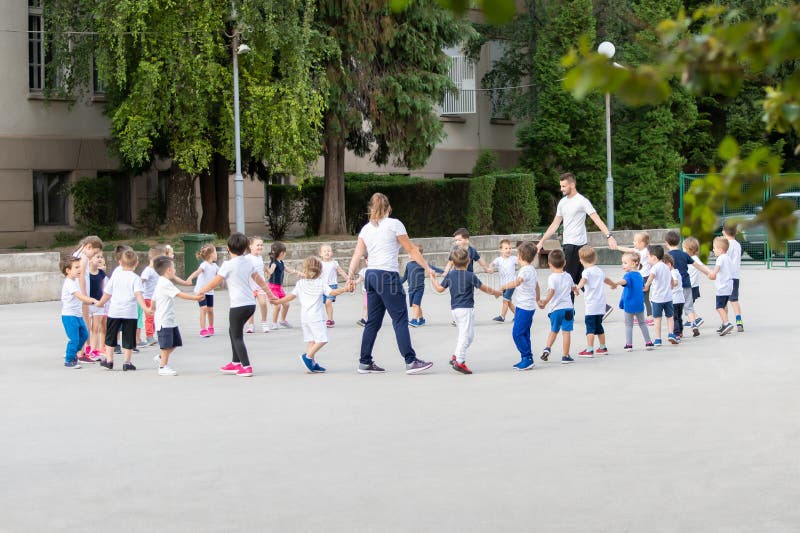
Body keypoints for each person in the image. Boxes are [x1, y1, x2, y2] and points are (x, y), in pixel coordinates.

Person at [346, 192, 435, 375]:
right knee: (400, 319)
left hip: (371, 276)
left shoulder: (366, 229)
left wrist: (349, 276)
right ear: (389, 208)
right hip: (388, 276)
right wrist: (427, 267)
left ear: (371, 208)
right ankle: (410, 361)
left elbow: (357, 254)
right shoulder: (394, 224)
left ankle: (364, 362)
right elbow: (411, 249)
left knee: (373, 321)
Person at [536, 172, 617, 319]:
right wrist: (542, 241)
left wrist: (609, 236)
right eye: (560, 186)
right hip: (569, 244)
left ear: (572, 184)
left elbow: (596, 218)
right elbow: (555, 224)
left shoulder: (582, 201)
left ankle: (568, 312)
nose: (561, 189)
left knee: (567, 278)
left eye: (564, 186)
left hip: (576, 246)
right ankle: (603, 308)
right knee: (580, 278)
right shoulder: (562, 203)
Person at [196, 233, 276, 377]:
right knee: (233, 331)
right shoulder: (248, 262)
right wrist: (270, 294)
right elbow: (259, 280)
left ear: (228, 248)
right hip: (250, 304)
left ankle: (246, 366)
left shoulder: (228, 265)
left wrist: (201, 290)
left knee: (236, 335)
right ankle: (235, 363)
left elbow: (216, 281)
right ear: (246, 248)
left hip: (238, 305)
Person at [269, 256, 350, 373]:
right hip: (317, 318)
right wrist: (344, 289)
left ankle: (311, 364)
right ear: (320, 271)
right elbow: (332, 293)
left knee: (311, 341)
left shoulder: (300, 283)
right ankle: (307, 357)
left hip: (305, 318)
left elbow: (290, 297)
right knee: (322, 339)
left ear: (305, 269)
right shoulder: (321, 283)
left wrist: (277, 301)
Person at [430, 247, 501, 374]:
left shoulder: (451, 275)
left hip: (456, 310)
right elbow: (484, 288)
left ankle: (456, 355)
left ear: (452, 262)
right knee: (465, 336)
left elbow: (440, 289)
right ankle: (460, 362)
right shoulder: (470, 275)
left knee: (468, 336)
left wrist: (432, 278)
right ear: (468, 261)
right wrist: (495, 292)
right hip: (466, 310)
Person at [149, 255, 205, 376]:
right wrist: (196, 298)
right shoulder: (164, 283)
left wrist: (152, 308)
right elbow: (180, 294)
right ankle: (163, 367)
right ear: (168, 270)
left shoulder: (162, 281)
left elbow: (153, 298)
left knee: (174, 343)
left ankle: (161, 358)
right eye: (173, 268)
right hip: (164, 320)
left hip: (169, 319)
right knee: (166, 345)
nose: (175, 270)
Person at [96, 250, 151, 371]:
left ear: (120, 262)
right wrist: (146, 308)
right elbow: (138, 295)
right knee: (128, 337)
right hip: (130, 313)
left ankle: (109, 360)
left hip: (114, 312)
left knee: (110, 337)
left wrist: (100, 303)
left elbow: (107, 293)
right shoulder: (136, 278)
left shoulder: (115, 277)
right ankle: (127, 362)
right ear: (136, 263)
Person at [497, 241, 540, 370]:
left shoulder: (524, 271)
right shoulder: (531, 269)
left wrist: (504, 287)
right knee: (524, 333)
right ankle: (528, 358)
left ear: (520, 256)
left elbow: (517, 282)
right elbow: (537, 285)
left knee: (517, 333)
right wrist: (538, 299)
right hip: (529, 306)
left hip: (524, 307)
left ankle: (526, 357)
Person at [665, 230, 712, 339]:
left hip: (675, 285)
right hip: (686, 284)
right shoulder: (684, 255)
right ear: (678, 242)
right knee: (689, 307)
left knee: (674, 309)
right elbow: (698, 266)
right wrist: (709, 273)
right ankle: (693, 325)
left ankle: (676, 332)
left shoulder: (667, 256)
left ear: (667, 243)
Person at [573, 246, 616, 357]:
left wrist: (577, 287)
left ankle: (589, 349)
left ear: (581, 261)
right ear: (595, 259)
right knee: (599, 326)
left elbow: (583, 280)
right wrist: (613, 284)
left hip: (591, 305)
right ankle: (603, 347)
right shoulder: (599, 270)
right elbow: (606, 279)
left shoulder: (586, 272)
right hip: (601, 305)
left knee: (590, 328)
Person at [537, 249, 576, 364]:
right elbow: (573, 288)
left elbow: (551, 291)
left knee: (553, 331)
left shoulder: (552, 277)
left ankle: (547, 348)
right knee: (566, 332)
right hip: (568, 309)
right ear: (564, 263)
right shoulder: (568, 276)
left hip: (555, 310)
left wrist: (545, 302)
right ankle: (565, 355)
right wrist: (576, 291)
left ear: (549, 264)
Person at [60, 257, 100, 369]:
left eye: (80, 267)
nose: (79, 269)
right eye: (76, 267)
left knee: (84, 335)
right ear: (68, 270)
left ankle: (73, 354)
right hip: (69, 316)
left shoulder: (75, 280)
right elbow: (80, 296)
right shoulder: (69, 283)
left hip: (77, 315)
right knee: (74, 339)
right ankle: (69, 360)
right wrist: (92, 301)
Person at [613, 253, 654, 351]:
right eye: (623, 263)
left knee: (628, 325)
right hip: (639, 304)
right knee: (642, 323)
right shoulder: (639, 275)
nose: (623, 265)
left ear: (634, 263)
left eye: (625, 263)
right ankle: (648, 342)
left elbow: (625, 281)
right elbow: (643, 287)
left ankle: (629, 344)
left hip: (629, 304)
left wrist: (617, 282)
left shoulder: (628, 275)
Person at [643, 245, 678, 347]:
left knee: (657, 318)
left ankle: (658, 339)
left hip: (657, 299)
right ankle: (671, 333)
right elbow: (671, 278)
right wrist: (672, 285)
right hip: (668, 298)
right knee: (670, 316)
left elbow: (651, 277)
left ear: (654, 257)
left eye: (648, 256)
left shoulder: (655, 268)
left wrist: (646, 286)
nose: (647, 259)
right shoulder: (665, 266)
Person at [401, 244, 443, 327]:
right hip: (411, 288)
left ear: (418, 255)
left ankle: (414, 320)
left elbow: (434, 268)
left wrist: (445, 272)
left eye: (411, 253)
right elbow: (405, 277)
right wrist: (397, 283)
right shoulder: (408, 265)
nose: (409, 254)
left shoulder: (423, 263)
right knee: (416, 305)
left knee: (415, 305)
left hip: (419, 288)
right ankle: (421, 319)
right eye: (409, 253)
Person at [616, 231, 653, 325]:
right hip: (640, 277)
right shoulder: (640, 251)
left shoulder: (645, 252)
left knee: (644, 297)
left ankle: (649, 317)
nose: (633, 243)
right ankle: (640, 316)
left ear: (642, 243)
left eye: (635, 241)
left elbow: (628, 250)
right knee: (639, 296)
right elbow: (627, 250)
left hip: (644, 277)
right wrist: (617, 247)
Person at [185, 243, 219, 337]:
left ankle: (211, 327)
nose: (217, 254)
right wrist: (190, 278)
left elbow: (222, 275)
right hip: (200, 291)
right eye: (215, 252)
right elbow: (197, 272)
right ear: (211, 254)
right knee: (203, 309)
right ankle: (203, 330)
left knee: (210, 310)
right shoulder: (204, 265)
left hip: (210, 291)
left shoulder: (215, 266)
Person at [266, 242, 301, 330]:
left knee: (286, 304)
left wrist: (297, 272)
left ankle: (283, 321)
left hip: (279, 288)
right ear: (281, 253)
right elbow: (270, 271)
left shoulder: (281, 262)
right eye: (285, 252)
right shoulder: (274, 263)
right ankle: (274, 323)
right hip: (272, 287)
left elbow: (288, 270)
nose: (285, 254)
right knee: (277, 306)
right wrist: (267, 271)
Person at [708, 236, 735, 336]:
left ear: (720, 249)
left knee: (719, 307)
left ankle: (726, 323)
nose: (713, 250)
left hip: (722, 287)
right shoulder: (727, 257)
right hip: (729, 286)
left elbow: (717, 269)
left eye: (714, 248)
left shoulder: (720, 258)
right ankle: (725, 323)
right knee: (724, 306)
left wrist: (712, 274)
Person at [86, 253, 109, 361]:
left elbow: (105, 288)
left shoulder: (102, 274)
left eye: (101, 257)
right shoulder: (85, 273)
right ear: (90, 260)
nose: (100, 259)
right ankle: (87, 349)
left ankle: (94, 351)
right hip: (88, 304)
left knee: (96, 329)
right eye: (97, 257)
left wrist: (104, 302)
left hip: (99, 304)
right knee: (87, 328)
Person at [320, 243, 348, 327]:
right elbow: (316, 274)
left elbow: (341, 271)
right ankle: (330, 319)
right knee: (326, 303)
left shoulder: (334, 263)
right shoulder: (319, 264)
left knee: (328, 302)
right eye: (324, 251)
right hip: (323, 286)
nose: (327, 252)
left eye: (329, 251)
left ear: (331, 253)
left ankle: (330, 320)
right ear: (321, 254)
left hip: (332, 286)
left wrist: (348, 278)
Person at [722, 223, 744, 332]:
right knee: (734, 300)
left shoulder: (726, 245)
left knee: (724, 300)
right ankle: (739, 321)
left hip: (727, 276)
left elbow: (723, 259)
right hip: (736, 276)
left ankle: (725, 323)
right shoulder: (738, 245)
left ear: (724, 232)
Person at [245, 236, 270, 333]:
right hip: (250, 286)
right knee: (251, 306)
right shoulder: (247, 258)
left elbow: (261, 266)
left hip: (261, 285)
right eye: (257, 245)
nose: (260, 247)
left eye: (261, 245)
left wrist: (267, 270)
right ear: (250, 246)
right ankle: (251, 325)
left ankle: (264, 322)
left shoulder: (260, 257)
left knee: (263, 303)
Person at [140, 246, 163, 346]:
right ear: (152, 259)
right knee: (149, 317)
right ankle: (149, 336)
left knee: (157, 317)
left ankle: (154, 334)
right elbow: (142, 280)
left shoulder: (158, 270)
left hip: (157, 298)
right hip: (148, 297)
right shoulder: (148, 270)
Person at [491, 239, 519, 322]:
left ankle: (502, 317)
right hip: (503, 285)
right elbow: (491, 264)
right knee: (509, 302)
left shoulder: (513, 258)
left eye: (510, 248)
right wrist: (491, 267)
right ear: (501, 250)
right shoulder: (498, 260)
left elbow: (522, 261)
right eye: (506, 248)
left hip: (512, 284)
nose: (508, 250)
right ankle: (518, 316)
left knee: (505, 300)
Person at [683, 236, 706, 333]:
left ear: (689, 249)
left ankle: (697, 318)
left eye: (684, 248)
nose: (682, 250)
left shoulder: (689, 259)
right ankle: (690, 319)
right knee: (689, 304)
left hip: (690, 286)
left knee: (686, 305)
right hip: (694, 286)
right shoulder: (695, 258)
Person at [665, 253, 685, 340]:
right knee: (679, 317)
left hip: (675, 299)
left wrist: (669, 286)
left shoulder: (672, 272)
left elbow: (675, 282)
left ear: (669, 264)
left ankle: (676, 333)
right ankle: (680, 331)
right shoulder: (676, 271)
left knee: (674, 317)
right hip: (680, 299)